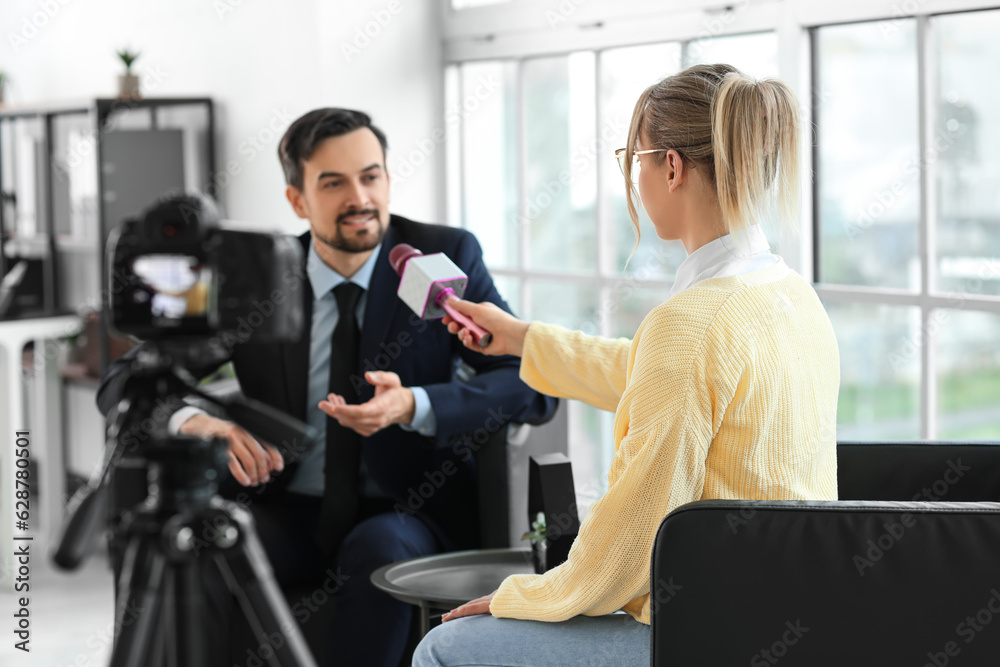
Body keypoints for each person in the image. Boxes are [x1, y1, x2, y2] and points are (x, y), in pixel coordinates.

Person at [411, 64, 841, 666]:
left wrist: (525, 595)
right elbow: (657, 376)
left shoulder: (692, 323)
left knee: (443, 648)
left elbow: (637, 532)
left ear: (670, 166)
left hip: (710, 629)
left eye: (632, 158)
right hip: (789, 610)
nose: (633, 178)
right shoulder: (788, 294)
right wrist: (520, 339)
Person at [96, 108, 558, 667]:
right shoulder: (261, 276)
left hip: (405, 508)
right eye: (333, 183)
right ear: (297, 200)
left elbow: (531, 381)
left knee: (377, 552)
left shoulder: (445, 255)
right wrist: (192, 420)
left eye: (371, 176)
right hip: (283, 504)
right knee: (197, 548)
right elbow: (130, 381)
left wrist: (418, 405)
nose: (359, 198)